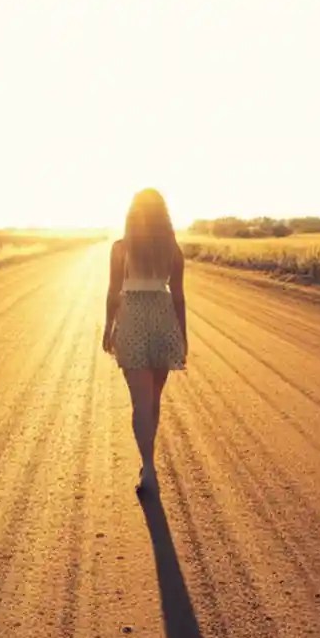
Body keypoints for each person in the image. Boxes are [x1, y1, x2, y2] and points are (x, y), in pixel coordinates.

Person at [102, 188, 188, 497]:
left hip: (132, 319)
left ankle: (148, 467)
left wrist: (107, 326)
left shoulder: (120, 248)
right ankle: (149, 464)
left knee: (141, 402)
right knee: (153, 400)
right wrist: (183, 336)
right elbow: (178, 297)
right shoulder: (173, 250)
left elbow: (113, 292)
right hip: (163, 320)